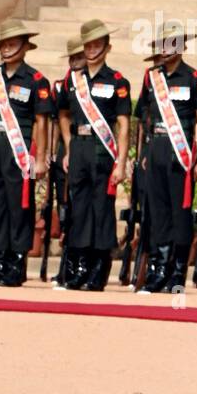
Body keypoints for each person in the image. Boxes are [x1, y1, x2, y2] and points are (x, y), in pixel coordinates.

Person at [133, 20, 197, 293]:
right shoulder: (151, 76)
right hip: (156, 149)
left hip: (182, 152)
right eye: (162, 45)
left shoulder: (195, 79)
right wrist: (143, 151)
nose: (166, 50)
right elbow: (143, 118)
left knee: (180, 212)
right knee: (157, 210)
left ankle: (177, 270)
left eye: (171, 44)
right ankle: (159, 266)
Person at [57, 19, 130, 290]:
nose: (91, 50)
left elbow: (123, 125)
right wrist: (68, 145)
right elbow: (62, 114)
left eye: (97, 44)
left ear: (107, 47)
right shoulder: (73, 80)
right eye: (88, 44)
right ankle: (79, 267)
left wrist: (121, 162)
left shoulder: (117, 81)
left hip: (103, 151)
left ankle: (99, 269)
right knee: (79, 208)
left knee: (102, 209)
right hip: (79, 148)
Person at [0, 19, 53, 287]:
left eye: (13, 43)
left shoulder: (36, 80)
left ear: (25, 47)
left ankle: (16, 263)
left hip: (22, 149)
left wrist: (41, 157)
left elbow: (42, 122)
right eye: (4, 44)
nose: (7, 48)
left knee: (19, 206)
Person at [49, 37, 84, 288]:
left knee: (80, 209)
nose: (76, 62)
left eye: (79, 57)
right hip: (65, 150)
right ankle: (66, 264)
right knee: (65, 208)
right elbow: (53, 121)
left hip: (87, 149)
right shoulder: (61, 86)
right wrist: (52, 153)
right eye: (72, 58)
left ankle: (77, 264)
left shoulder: (97, 83)